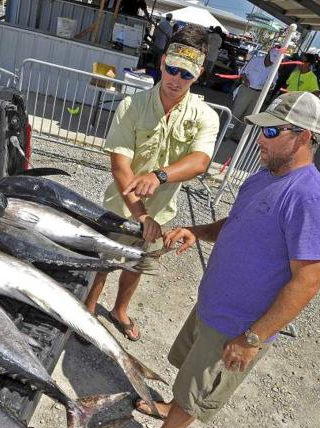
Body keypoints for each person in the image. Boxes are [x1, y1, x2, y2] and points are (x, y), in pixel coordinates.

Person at [113, 91, 320, 428]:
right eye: (259, 129)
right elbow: (235, 225)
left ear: (304, 138)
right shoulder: (261, 179)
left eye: (271, 131)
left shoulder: (311, 200)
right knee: (188, 372)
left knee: (201, 390)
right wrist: (196, 231)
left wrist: (252, 339)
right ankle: (172, 406)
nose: (260, 139)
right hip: (212, 305)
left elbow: (307, 282)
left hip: (240, 325)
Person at [84, 27, 220, 341]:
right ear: (161, 63)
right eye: (171, 69)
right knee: (104, 261)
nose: (175, 79)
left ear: (198, 74)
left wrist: (159, 176)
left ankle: (119, 310)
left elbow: (200, 161)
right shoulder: (131, 106)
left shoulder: (205, 116)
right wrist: (141, 215)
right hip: (121, 208)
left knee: (136, 265)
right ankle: (89, 307)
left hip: (161, 214)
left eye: (185, 74)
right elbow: (120, 167)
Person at [229, 47, 278, 141]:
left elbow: (273, 83)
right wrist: (245, 80)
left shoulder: (275, 67)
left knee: (249, 116)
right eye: (271, 59)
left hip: (259, 94)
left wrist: (270, 85)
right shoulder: (256, 60)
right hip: (247, 89)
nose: (271, 62)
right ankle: (227, 133)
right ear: (268, 53)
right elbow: (243, 72)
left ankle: (238, 136)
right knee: (236, 113)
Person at [152, 13, 173, 82]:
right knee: (159, 59)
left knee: (154, 58)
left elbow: (154, 34)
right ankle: (155, 73)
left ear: (166, 17)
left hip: (156, 43)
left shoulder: (161, 24)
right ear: (170, 19)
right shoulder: (170, 27)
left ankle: (152, 70)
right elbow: (169, 39)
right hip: (162, 45)